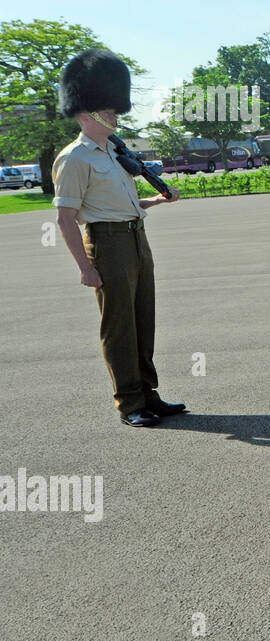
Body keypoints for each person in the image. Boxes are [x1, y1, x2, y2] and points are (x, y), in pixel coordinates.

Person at [53, 49, 186, 427]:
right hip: (107, 244)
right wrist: (85, 267)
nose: (115, 116)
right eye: (108, 111)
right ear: (85, 113)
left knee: (143, 320)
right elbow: (65, 219)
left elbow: (124, 203)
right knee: (119, 327)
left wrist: (157, 200)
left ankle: (149, 395)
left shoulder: (113, 152)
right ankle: (130, 404)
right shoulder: (75, 158)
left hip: (135, 238)